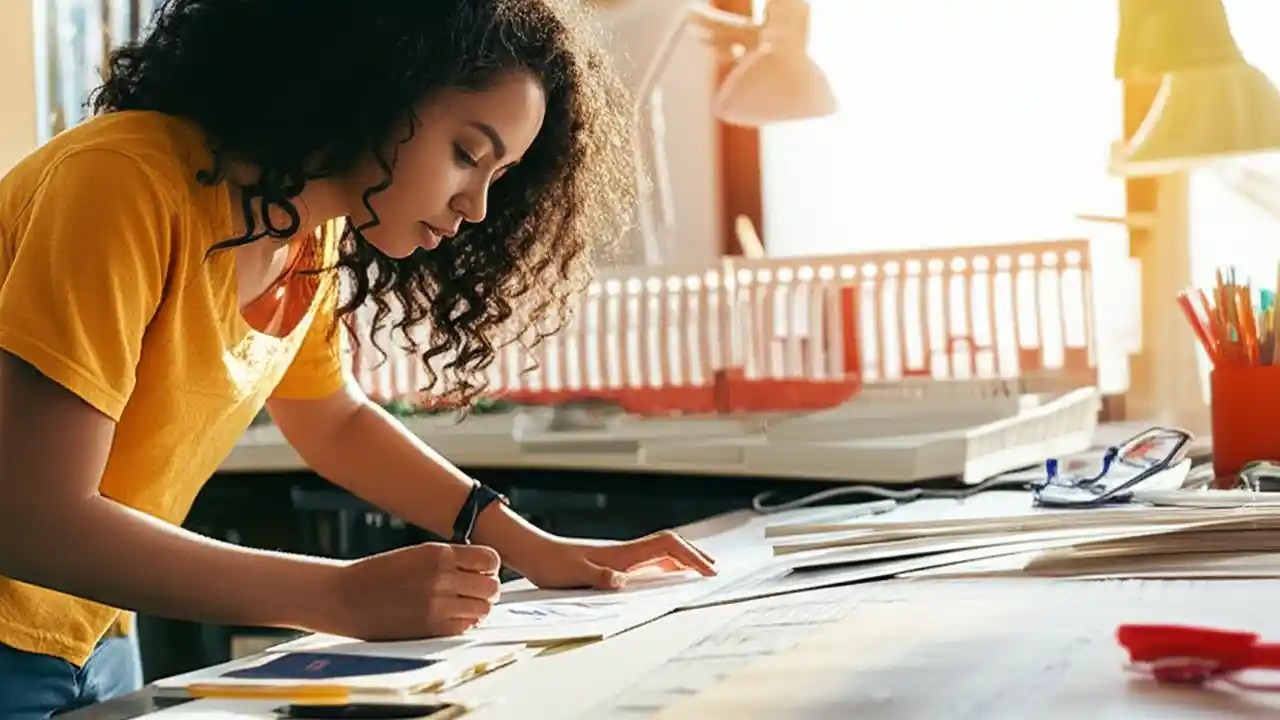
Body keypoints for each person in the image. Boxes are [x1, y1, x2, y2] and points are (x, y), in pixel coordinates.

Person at [0, 0, 717, 715]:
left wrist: (534, 548)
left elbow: (333, 419)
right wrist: (339, 596)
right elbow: (35, 519)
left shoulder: (304, 230)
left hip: (90, 628)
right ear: (377, 83)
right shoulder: (120, 183)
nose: (476, 208)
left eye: (498, 177)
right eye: (467, 154)